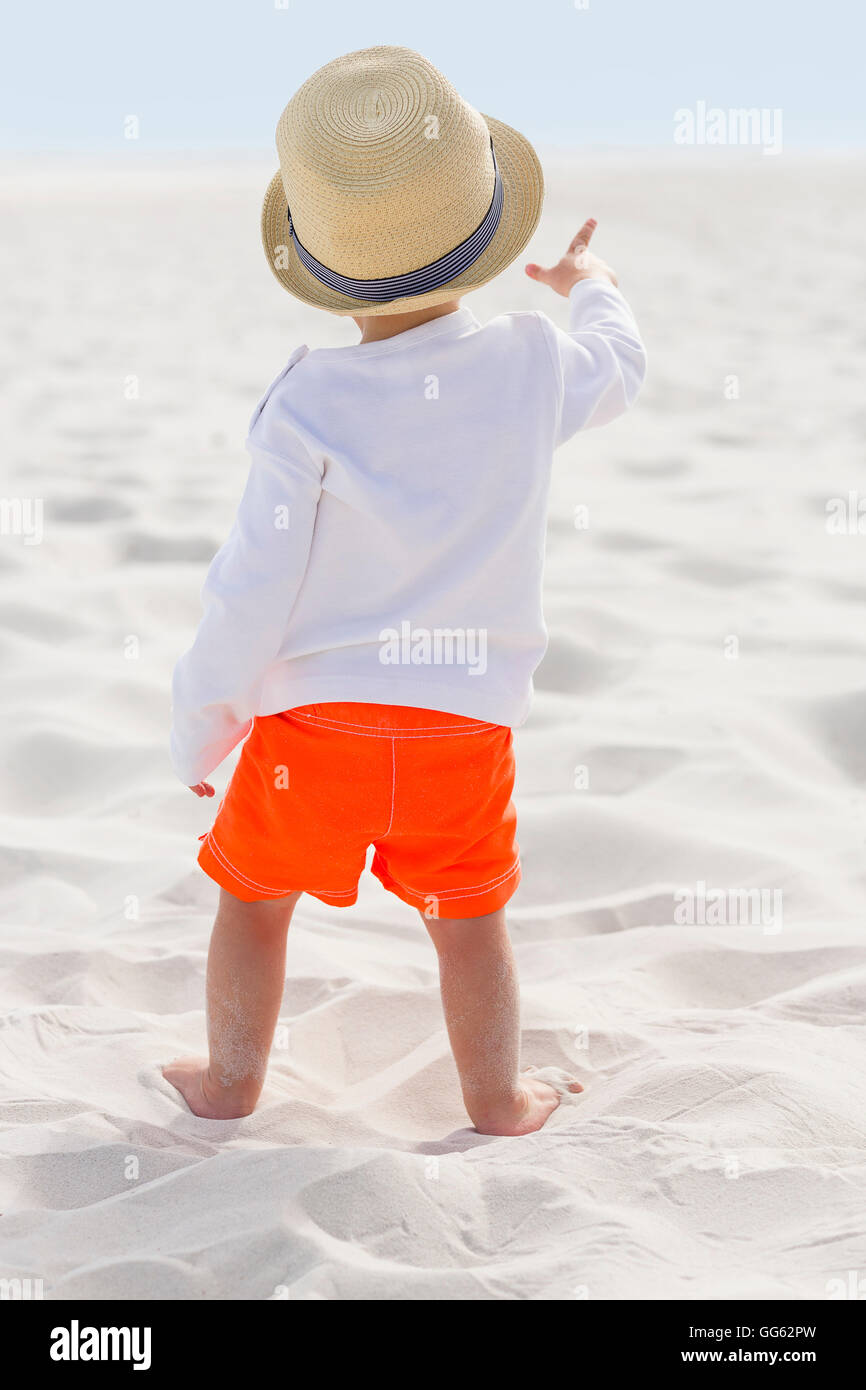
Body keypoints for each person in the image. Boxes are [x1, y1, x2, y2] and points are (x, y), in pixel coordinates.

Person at [164, 46, 646, 1135]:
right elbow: (618, 370)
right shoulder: (531, 364)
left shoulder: (308, 402)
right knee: (469, 923)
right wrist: (596, 291)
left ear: (325, 261)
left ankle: (229, 1083)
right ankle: (497, 1100)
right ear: (482, 240)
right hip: (459, 736)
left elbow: (252, 582)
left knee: (253, 900)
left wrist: (204, 724)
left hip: (311, 734)